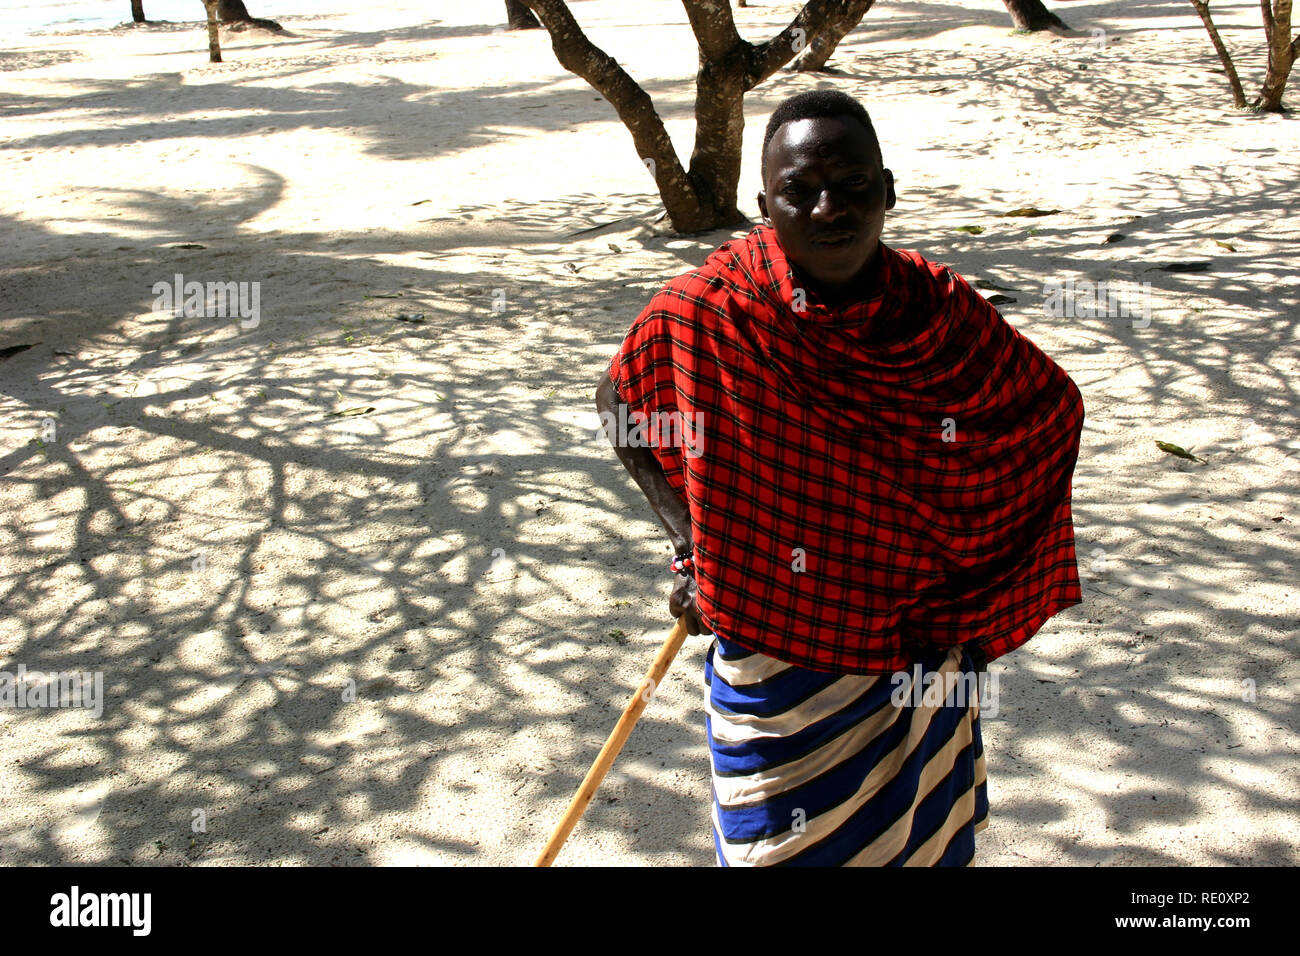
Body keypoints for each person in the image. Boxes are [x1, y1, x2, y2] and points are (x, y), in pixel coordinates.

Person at [595, 89, 1084, 866]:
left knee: (918, 845)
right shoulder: (710, 311)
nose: (831, 209)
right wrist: (694, 544)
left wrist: (980, 587)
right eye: (801, 191)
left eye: (854, 186)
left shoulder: (938, 311)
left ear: (887, 190)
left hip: (919, 646)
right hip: (774, 651)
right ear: (766, 205)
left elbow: (1048, 412)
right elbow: (620, 397)